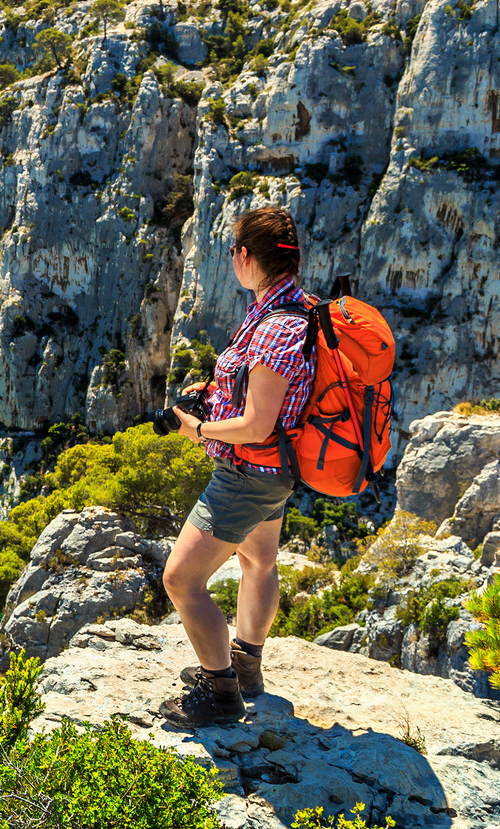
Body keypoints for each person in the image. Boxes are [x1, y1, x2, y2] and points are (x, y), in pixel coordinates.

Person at [158, 206, 314, 728]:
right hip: (276, 473)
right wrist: (214, 392)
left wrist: (195, 429)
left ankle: (220, 690)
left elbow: (256, 425)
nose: (230, 260)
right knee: (259, 561)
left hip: (247, 473)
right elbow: (264, 391)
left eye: (232, 251)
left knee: (181, 580)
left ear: (245, 256)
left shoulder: (278, 328)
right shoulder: (292, 308)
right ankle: (246, 663)